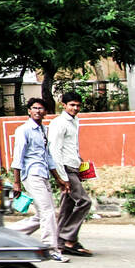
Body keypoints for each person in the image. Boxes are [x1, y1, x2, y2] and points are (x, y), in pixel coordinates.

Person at [10, 97, 71, 263]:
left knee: (43, 214)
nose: (38, 111)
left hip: (43, 173)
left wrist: (58, 178)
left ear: (46, 112)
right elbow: (18, 156)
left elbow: (48, 157)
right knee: (48, 212)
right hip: (31, 174)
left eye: (41, 109)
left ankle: (9, 235)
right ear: (29, 111)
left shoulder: (44, 130)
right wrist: (17, 182)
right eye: (35, 108)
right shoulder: (23, 130)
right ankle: (51, 249)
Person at [49, 90, 93, 256]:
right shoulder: (58, 123)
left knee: (67, 206)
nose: (75, 108)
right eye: (72, 105)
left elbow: (71, 146)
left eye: (78, 105)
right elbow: (55, 150)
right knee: (84, 201)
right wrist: (61, 177)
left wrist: (80, 162)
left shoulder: (75, 121)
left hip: (73, 166)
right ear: (64, 105)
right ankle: (69, 238)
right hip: (65, 168)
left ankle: (59, 243)